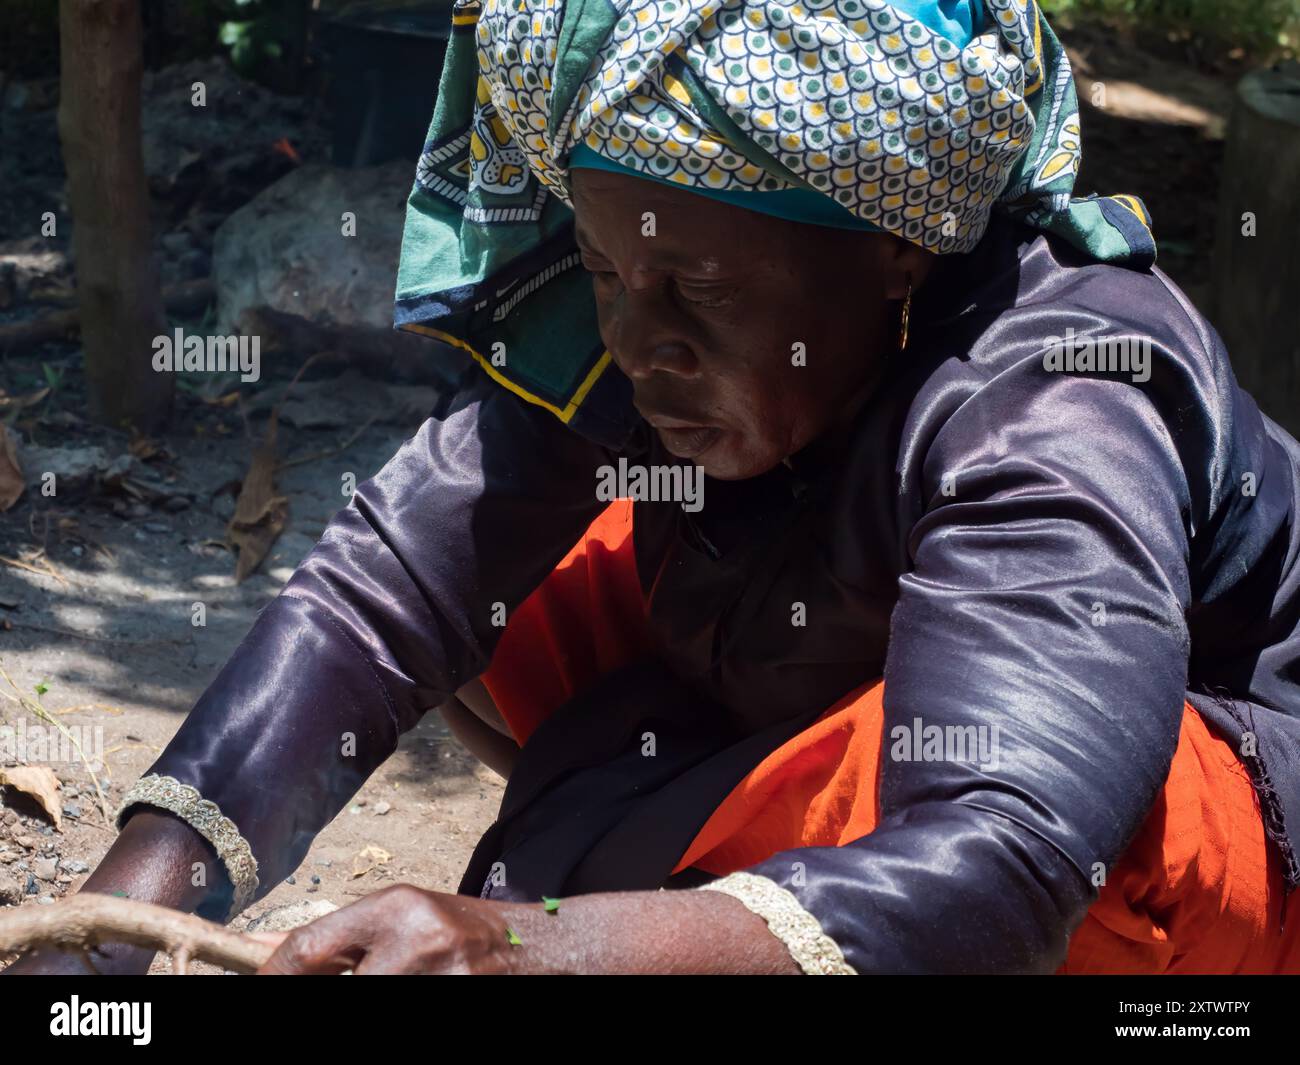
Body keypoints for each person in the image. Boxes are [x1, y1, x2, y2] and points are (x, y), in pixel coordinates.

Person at [9, 0, 1300, 975]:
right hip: (803, 687)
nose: (639, 338)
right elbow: (378, 593)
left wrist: (532, 946)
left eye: (706, 288)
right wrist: (122, 923)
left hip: (1140, 845)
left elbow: (1019, 844)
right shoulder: (656, 308)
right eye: (607, 269)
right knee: (473, 564)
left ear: (899, 248)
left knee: (1062, 799)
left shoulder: (1059, 396)